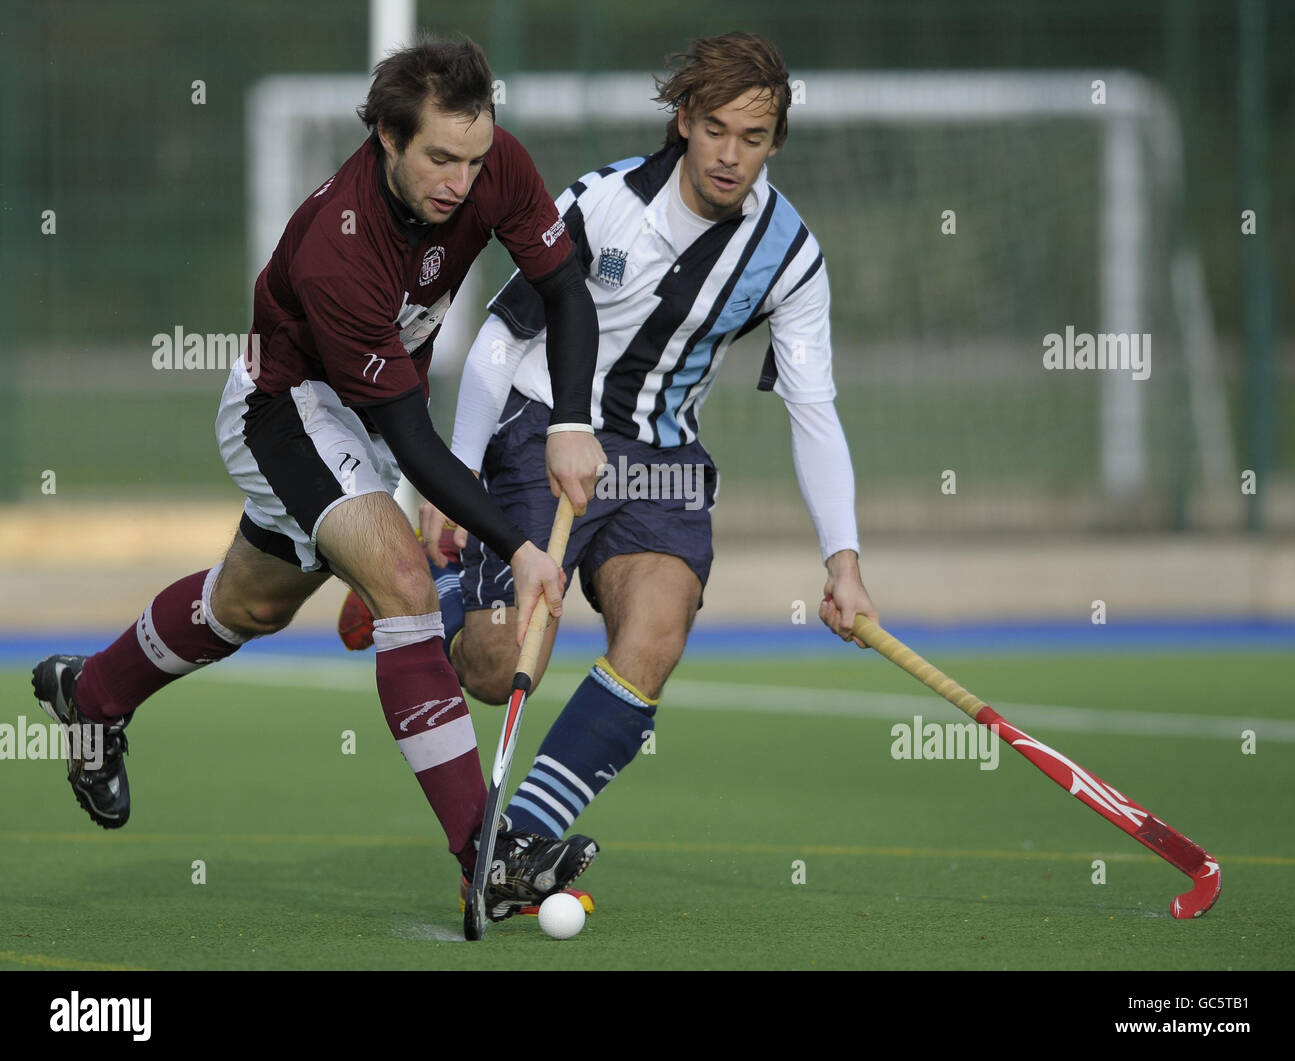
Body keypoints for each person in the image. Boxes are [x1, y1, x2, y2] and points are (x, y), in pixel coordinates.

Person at [32, 35, 606, 923]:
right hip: (285, 404)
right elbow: (413, 443)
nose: (462, 180)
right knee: (403, 579)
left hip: (363, 413)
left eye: (476, 156)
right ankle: (486, 852)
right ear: (386, 137)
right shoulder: (338, 247)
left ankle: (93, 693)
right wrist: (521, 547)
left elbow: (566, 290)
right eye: (440, 159)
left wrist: (571, 423)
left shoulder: (492, 161)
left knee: (251, 605)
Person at [338, 32, 878, 909]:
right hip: (539, 426)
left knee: (657, 628)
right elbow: (499, 340)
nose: (731, 155)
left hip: (660, 460)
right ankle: (426, 602)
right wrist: (453, 492)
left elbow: (813, 409)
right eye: (715, 130)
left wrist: (843, 562)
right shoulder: (603, 204)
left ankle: (525, 846)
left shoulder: (790, 255)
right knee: (495, 664)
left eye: (753, 136)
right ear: (683, 121)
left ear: (776, 141)